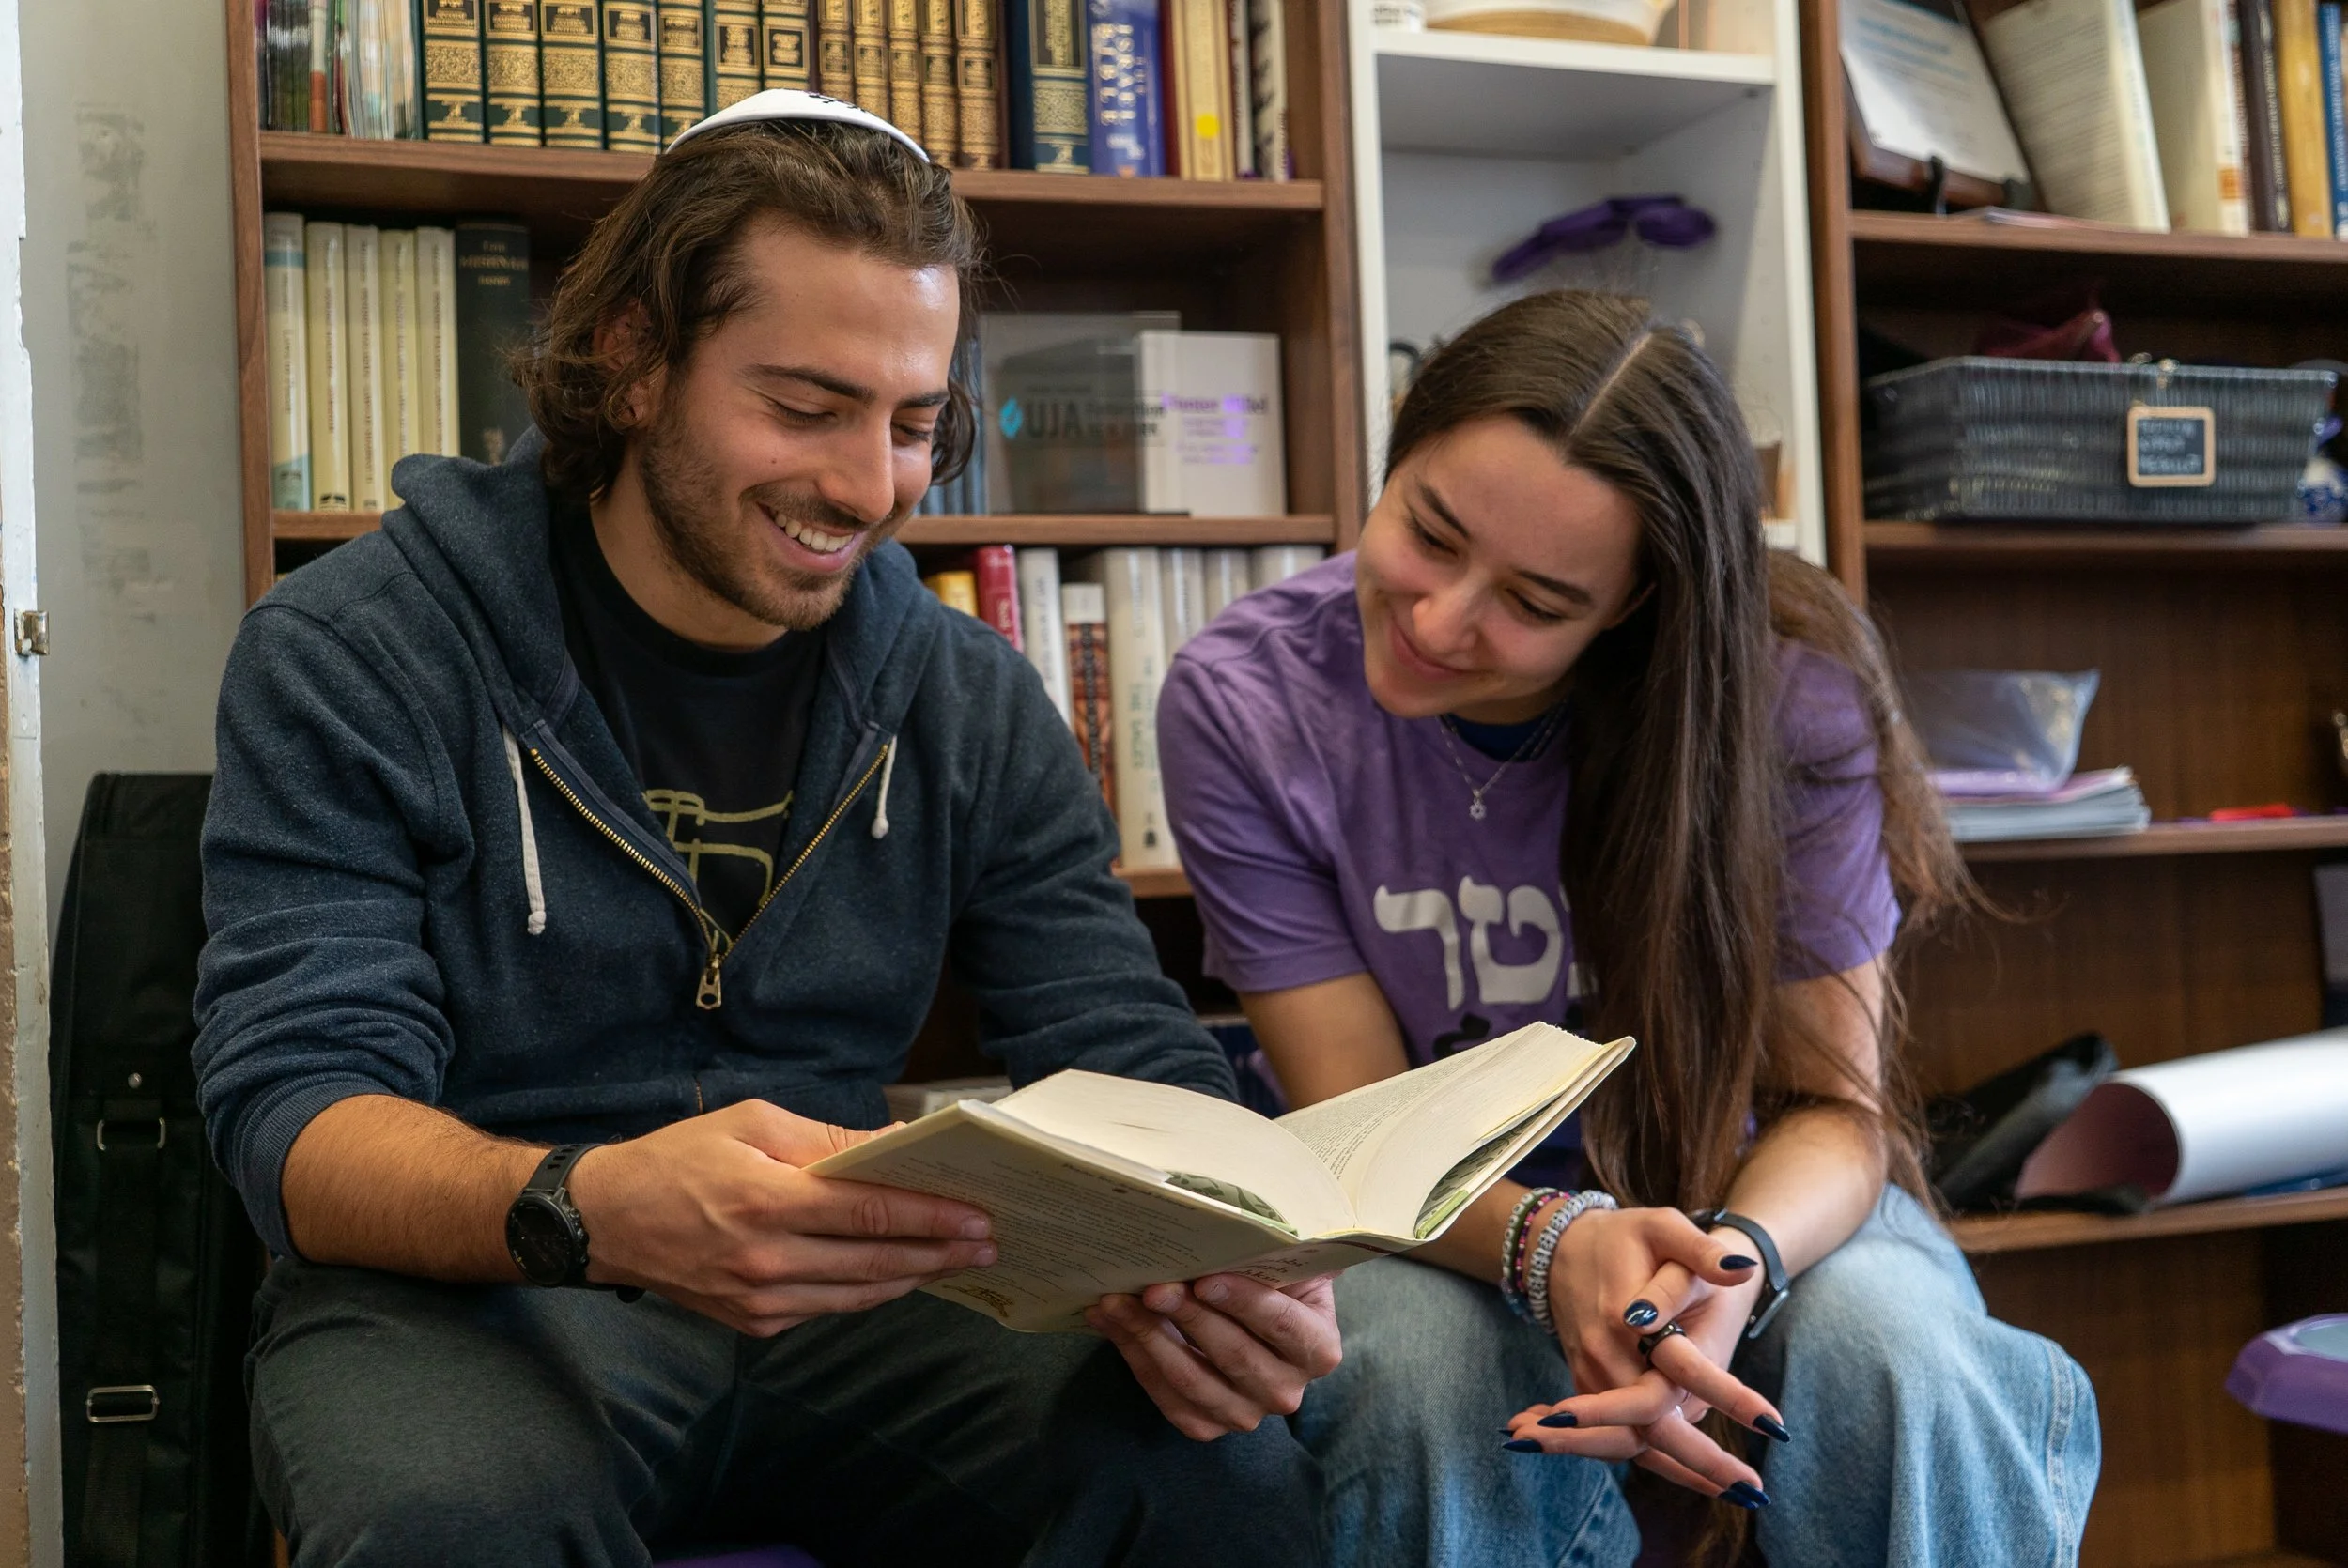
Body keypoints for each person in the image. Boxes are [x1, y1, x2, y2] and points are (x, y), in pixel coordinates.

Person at [193, 93, 1340, 1568]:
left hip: (872, 1290)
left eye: (914, 423)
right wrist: (591, 1202)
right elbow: (293, 1119)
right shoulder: (358, 649)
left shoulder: (963, 692)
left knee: (1217, 1483)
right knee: (448, 1524)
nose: (868, 486)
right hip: (482, 1279)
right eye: (803, 407)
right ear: (632, 354)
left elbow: (1121, 1039)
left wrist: (1225, 1252)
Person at [1157, 290, 2101, 1567]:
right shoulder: (1246, 700)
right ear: (1394, 446)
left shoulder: (1785, 706)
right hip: (1428, 1213)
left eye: (1537, 603)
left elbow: (1837, 1111)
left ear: (1633, 611)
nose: (1441, 620)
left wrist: (1729, 1266)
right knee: (1420, 1378)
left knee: (1896, 1353)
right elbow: (1359, 1129)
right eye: (1429, 532)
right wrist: (1557, 1245)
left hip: (1756, 1194)